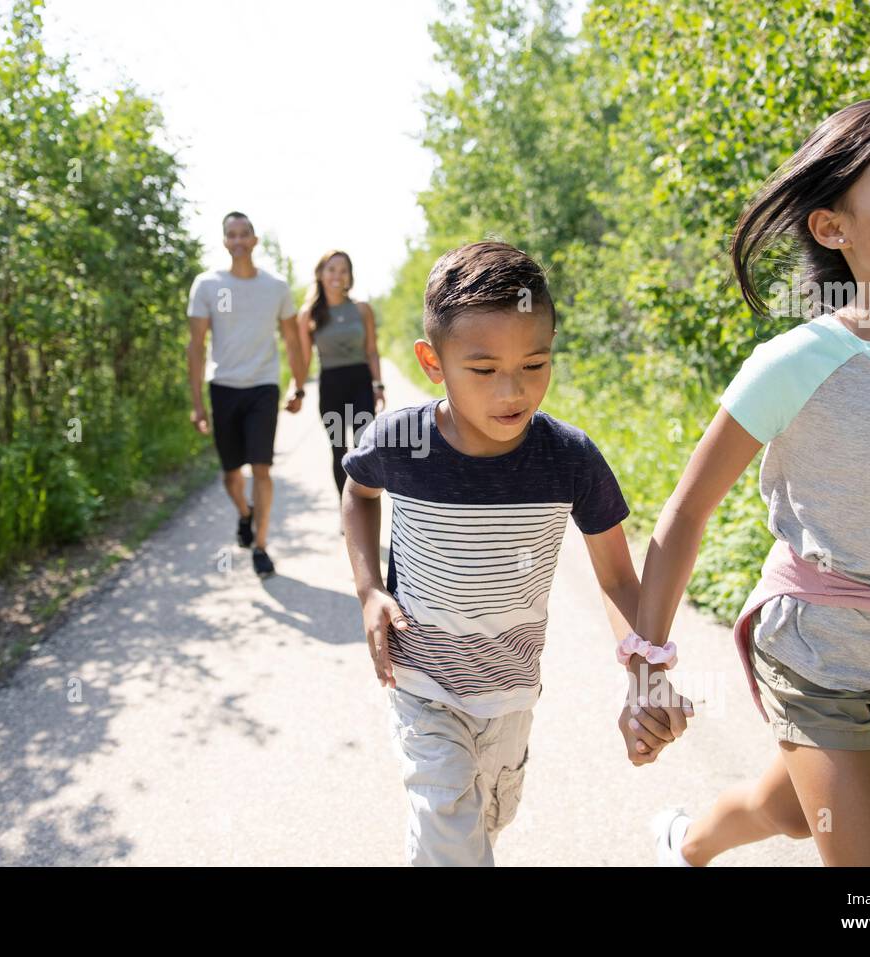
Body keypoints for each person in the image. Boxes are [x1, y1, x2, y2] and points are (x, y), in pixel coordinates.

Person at [632, 94, 870, 866]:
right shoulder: (799, 363)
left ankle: (684, 844)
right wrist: (646, 668)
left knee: (782, 806)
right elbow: (684, 515)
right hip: (811, 649)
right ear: (832, 225)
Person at [340, 241, 690, 866]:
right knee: (451, 830)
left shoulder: (568, 458)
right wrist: (370, 589)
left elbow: (615, 577)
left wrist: (646, 673)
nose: (513, 391)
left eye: (535, 364)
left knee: (486, 823)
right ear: (433, 361)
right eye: (483, 369)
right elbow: (359, 492)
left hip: (511, 694)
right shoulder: (401, 441)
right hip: (421, 685)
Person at [187, 211, 310, 578]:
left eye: (245, 234)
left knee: (262, 468)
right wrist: (197, 405)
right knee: (231, 475)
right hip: (223, 387)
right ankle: (244, 513)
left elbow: (292, 340)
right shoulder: (207, 285)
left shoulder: (275, 287)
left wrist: (298, 386)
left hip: (263, 387)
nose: (238, 241)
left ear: (255, 240)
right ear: (225, 241)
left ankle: (260, 545)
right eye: (231, 235)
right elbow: (195, 346)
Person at [296, 250, 386, 520]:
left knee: (363, 447)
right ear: (321, 274)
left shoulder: (361, 309)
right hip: (331, 385)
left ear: (350, 276)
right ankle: (346, 510)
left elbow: (371, 350)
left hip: (360, 382)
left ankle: (364, 507)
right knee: (338, 450)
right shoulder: (309, 314)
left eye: (343, 270)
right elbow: (303, 358)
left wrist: (378, 384)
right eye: (332, 269)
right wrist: (296, 388)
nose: (337, 275)